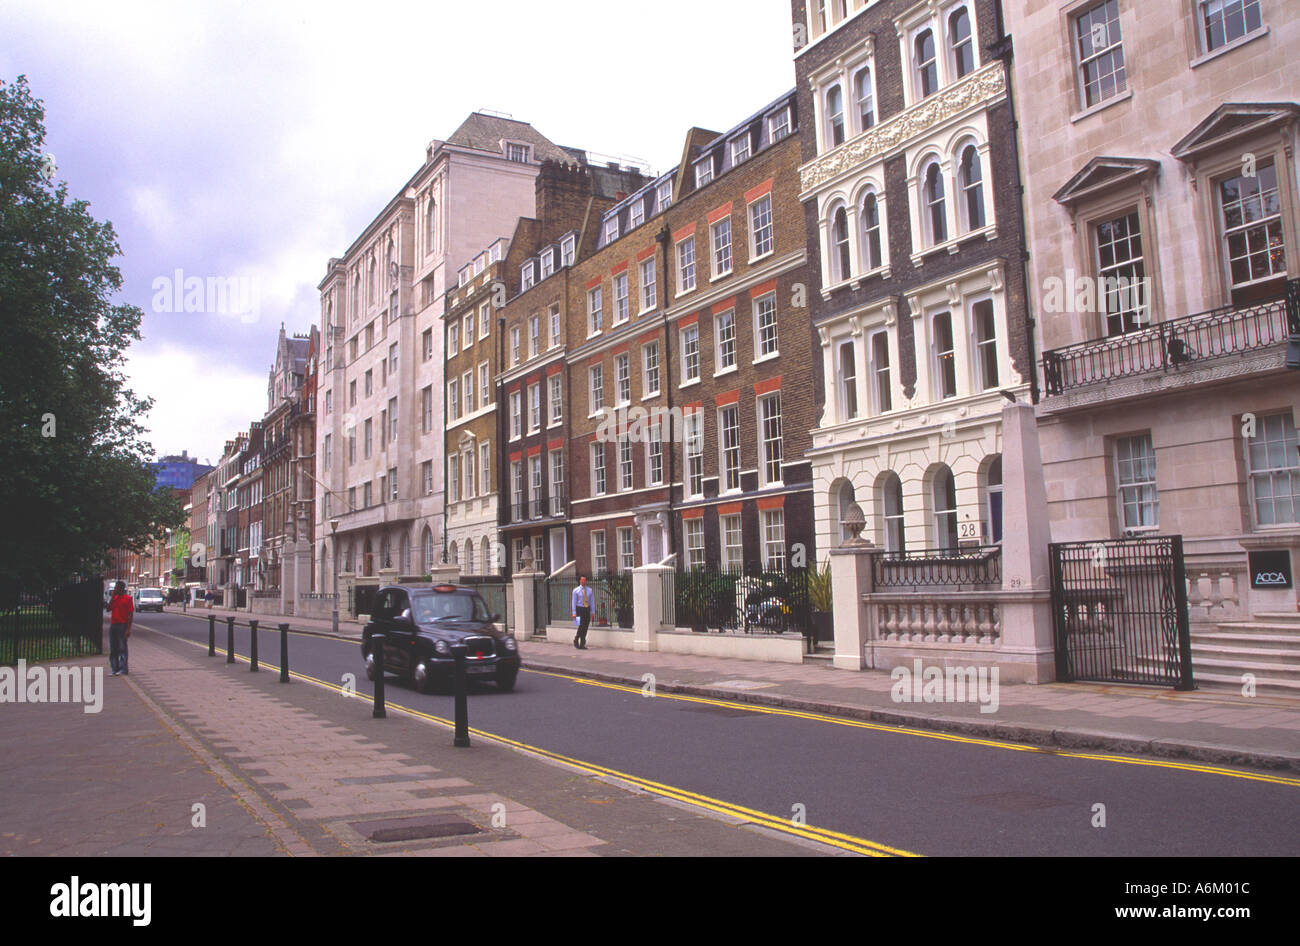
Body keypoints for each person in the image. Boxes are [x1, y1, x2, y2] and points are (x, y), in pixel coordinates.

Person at [106, 580, 133, 676]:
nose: (115, 589)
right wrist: (112, 597)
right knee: (113, 648)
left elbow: (130, 615)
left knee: (122, 648)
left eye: (116, 588)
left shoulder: (128, 599)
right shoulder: (115, 598)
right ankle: (114, 668)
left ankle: (123, 669)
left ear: (121, 588)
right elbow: (108, 609)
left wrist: (128, 629)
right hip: (114, 624)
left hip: (123, 625)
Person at [571, 575, 594, 649]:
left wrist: (592, 612)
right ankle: (576, 639)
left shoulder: (590, 590)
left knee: (586, 625)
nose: (583, 582)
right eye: (582, 580)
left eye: (585, 580)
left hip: (586, 609)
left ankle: (582, 643)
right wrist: (574, 613)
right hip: (579, 609)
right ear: (580, 581)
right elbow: (573, 602)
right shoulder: (576, 590)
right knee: (580, 625)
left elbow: (591, 601)